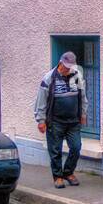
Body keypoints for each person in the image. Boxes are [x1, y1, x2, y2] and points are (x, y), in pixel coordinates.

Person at [34, 51, 88, 189]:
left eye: (70, 66)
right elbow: (41, 101)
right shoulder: (48, 78)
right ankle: (58, 176)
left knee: (76, 147)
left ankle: (68, 173)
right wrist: (41, 120)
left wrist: (83, 114)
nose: (67, 69)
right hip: (55, 121)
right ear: (60, 63)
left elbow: (82, 97)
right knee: (55, 150)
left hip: (73, 121)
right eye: (65, 66)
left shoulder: (77, 76)